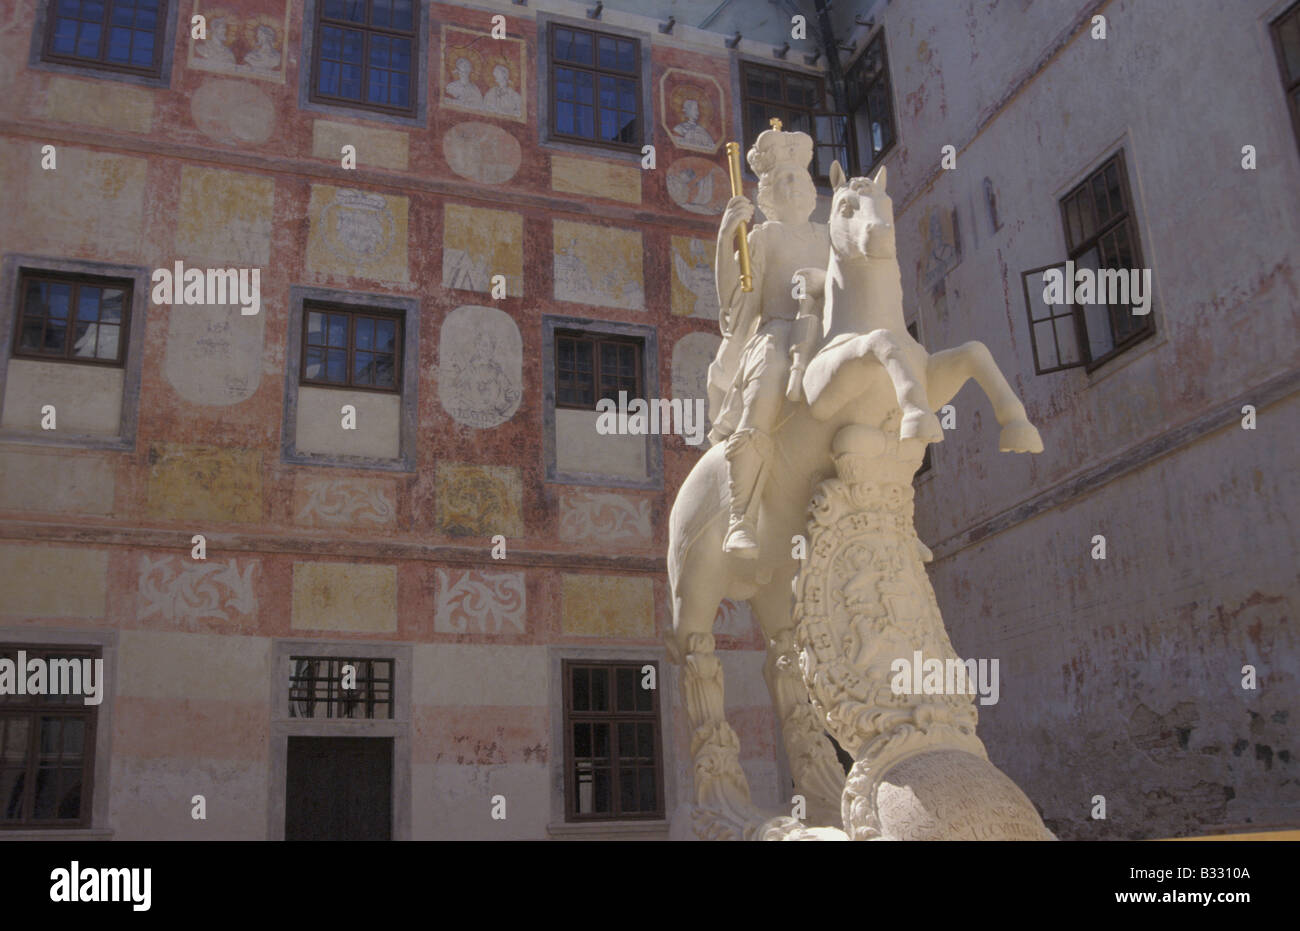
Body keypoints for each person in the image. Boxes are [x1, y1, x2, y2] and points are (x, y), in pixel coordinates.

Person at [707, 126, 830, 558]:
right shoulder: (764, 237)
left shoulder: (829, 236)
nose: (794, 184)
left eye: (800, 177)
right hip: (778, 328)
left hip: (829, 330)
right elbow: (739, 299)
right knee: (767, 382)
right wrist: (728, 238)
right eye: (783, 180)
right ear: (770, 195)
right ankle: (740, 515)